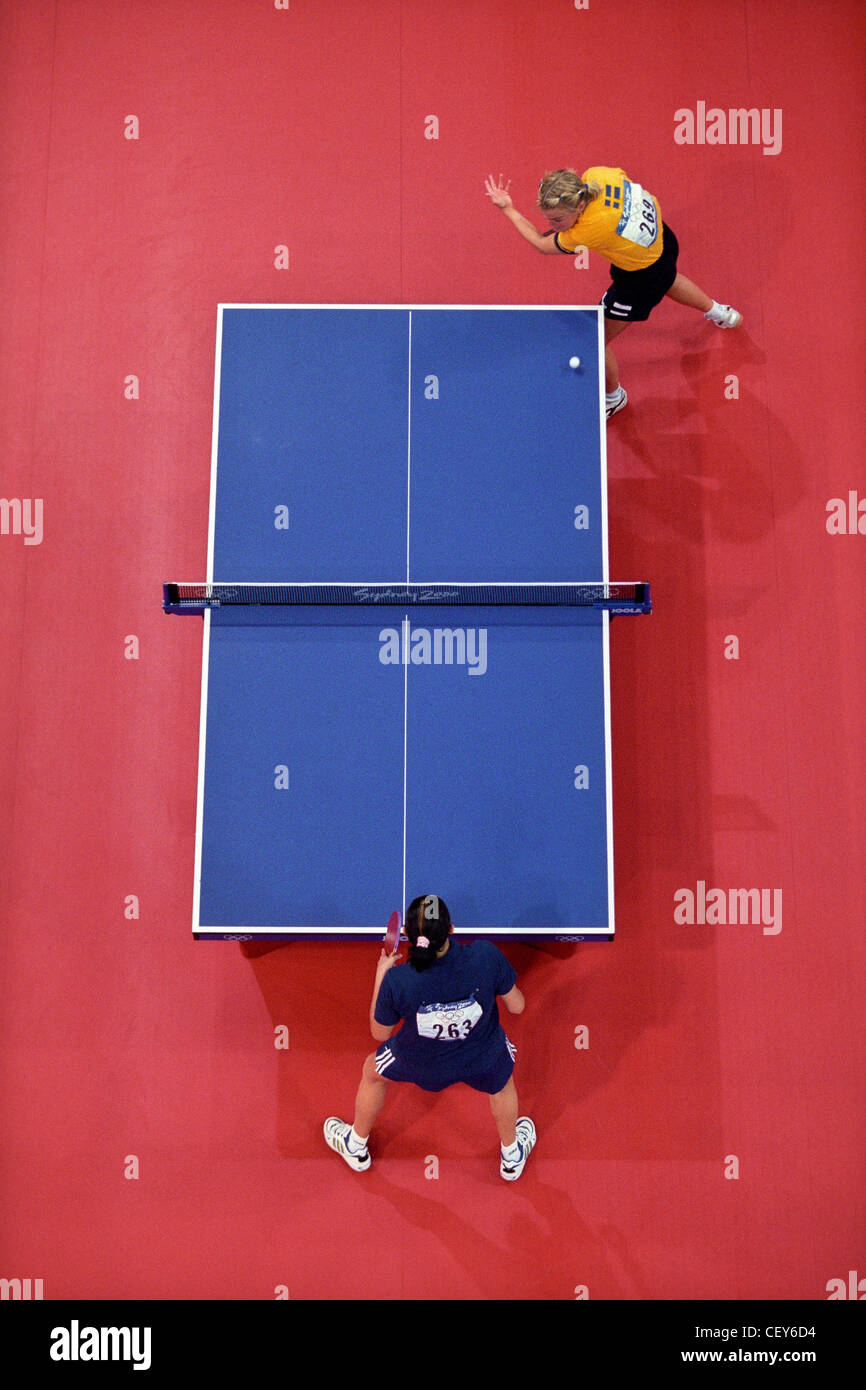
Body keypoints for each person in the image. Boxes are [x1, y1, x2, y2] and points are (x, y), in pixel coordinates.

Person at [484, 167, 741, 419]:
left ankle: (614, 397)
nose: (552, 225)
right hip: (661, 242)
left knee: (596, 339)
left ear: (580, 207)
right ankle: (719, 312)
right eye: (549, 218)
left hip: (640, 279)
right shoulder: (599, 175)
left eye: (558, 220)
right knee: (669, 279)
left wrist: (508, 209)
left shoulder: (591, 228)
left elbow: (542, 244)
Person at [324, 895, 535, 1181]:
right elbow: (517, 1006)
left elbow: (379, 1033)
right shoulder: (486, 956)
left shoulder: (399, 980)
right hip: (481, 1058)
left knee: (372, 1071)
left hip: (418, 1063)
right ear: (451, 929)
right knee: (503, 1081)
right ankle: (512, 1156)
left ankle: (355, 1145)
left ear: (410, 936)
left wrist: (381, 974)